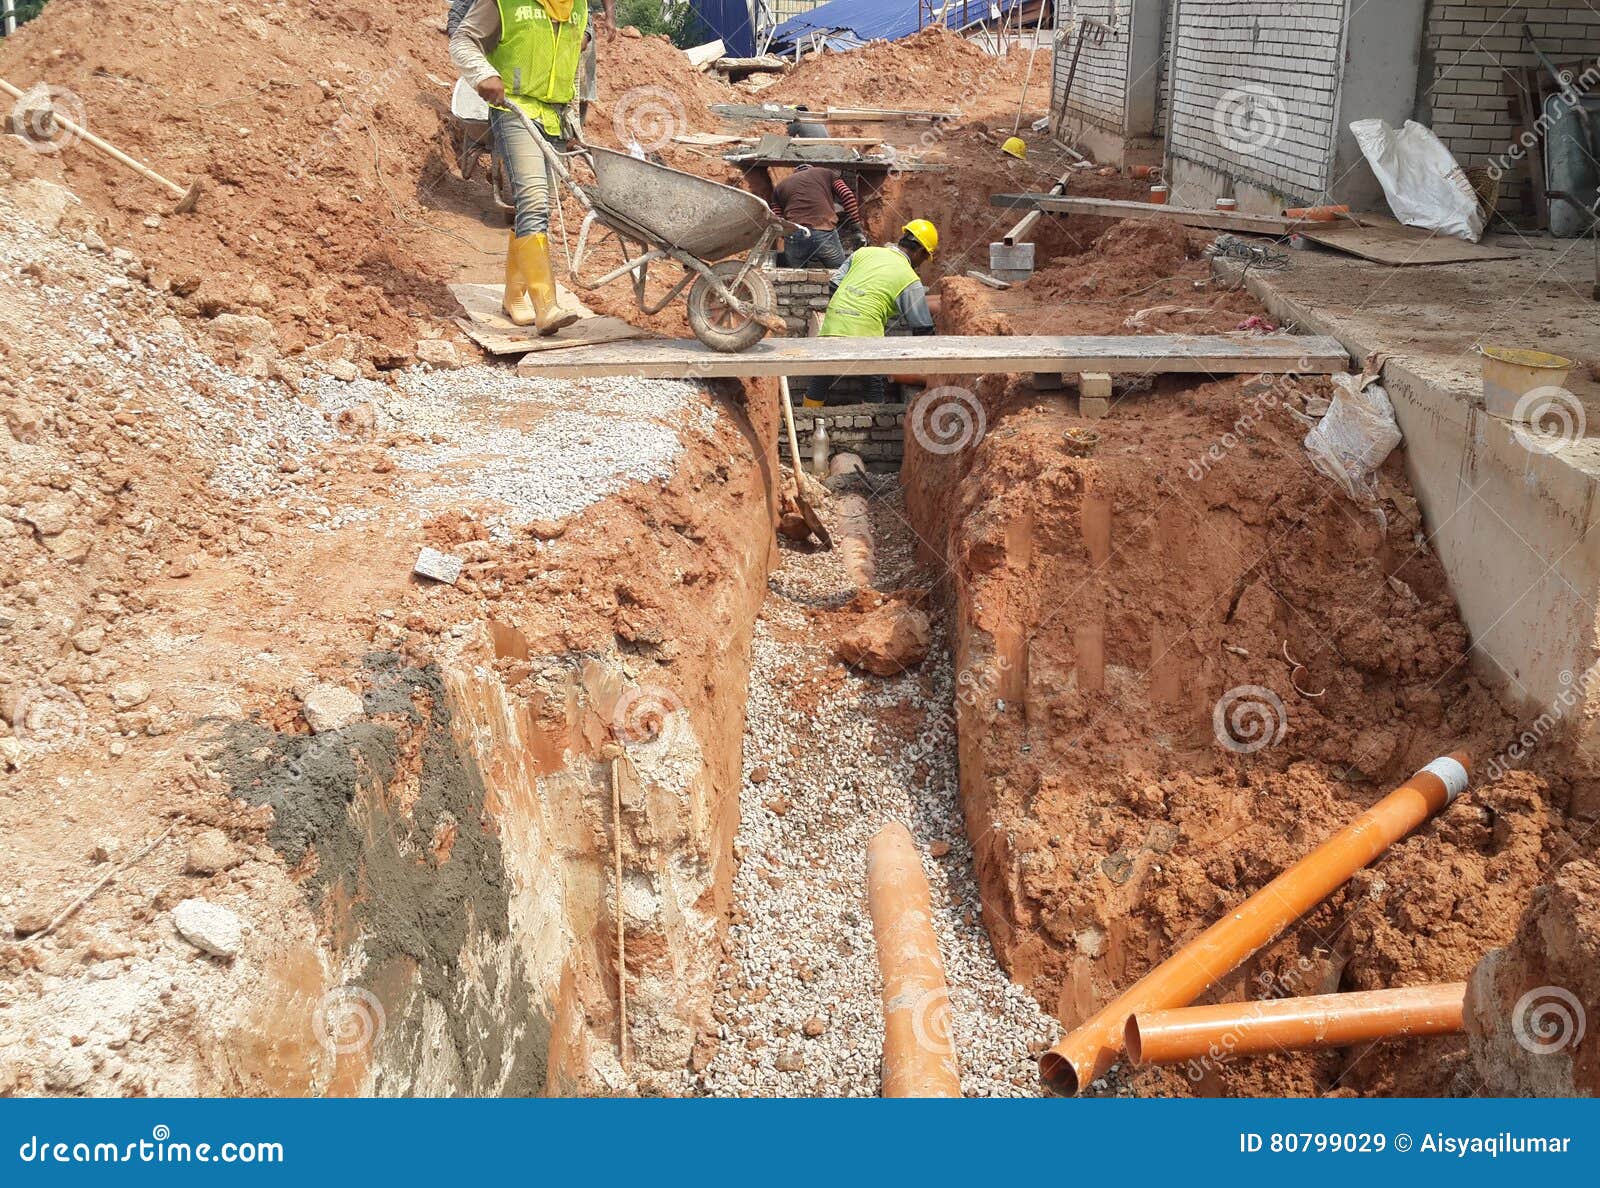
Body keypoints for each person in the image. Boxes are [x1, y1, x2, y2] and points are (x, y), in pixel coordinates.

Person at [450, 0, 586, 334]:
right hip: (514, 108)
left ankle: (515, 295)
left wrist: (575, 124)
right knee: (535, 200)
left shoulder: (578, 6)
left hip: (555, 118)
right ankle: (546, 306)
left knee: (538, 207)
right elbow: (462, 39)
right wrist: (484, 74)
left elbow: (573, 67)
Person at [805, 219, 938, 408]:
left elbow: (834, 284)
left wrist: (849, 310)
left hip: (834, 320)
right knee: (873, 380)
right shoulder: (909, 278)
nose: (921, 264)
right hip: (866, 329)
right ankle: (874, 418)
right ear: (920, 251)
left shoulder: (864, 252)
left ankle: (809, 420)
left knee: (823, 375)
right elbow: (923, 329)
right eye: (925, 258)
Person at [769, 164, 864, 269]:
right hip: (822, 229)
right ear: (812, 168)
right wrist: (856, 228)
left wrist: (788, 235)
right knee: (838, 273)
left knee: (795, 275)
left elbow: (777, 219)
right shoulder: (826, 173)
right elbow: (847, 194)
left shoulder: (780, 186)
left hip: (794, 233)